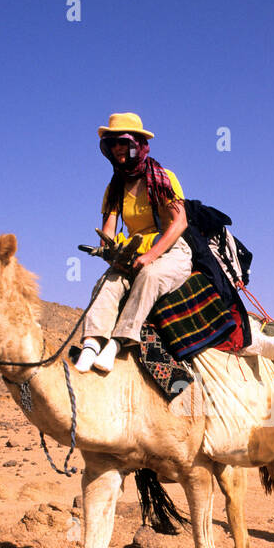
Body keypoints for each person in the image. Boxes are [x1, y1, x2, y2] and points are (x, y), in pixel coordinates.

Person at [76, 113, 192, 373]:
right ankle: (92, 343)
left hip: (170, 251)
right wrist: (109, 252)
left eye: (123, 142)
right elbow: (108, 229)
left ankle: (117, 343)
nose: (118, 148)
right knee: (108, 283)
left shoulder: (163, 178)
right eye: (112, 143)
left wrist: (151, 256)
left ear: (137, 144)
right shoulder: (115, 187)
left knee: (150, 277)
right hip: (132, 252)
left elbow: (180, 222)